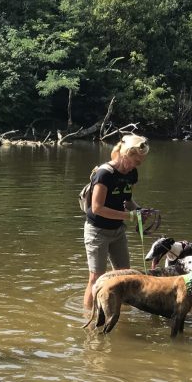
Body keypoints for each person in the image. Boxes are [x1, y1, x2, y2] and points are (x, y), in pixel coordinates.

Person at [82, 133, 149, 312]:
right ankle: (87, 315)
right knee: (96, 277)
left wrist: (139, 211)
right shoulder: (105, 174)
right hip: (97, 231)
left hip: (117, 230)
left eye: (139, 163)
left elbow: (127, 200)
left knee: (124, 274)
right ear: (125, 154)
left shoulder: (131, 173)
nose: (136, 166)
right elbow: (97, 208)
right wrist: (129, 217)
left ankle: (120, 313)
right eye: (136, 162)